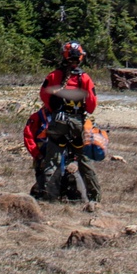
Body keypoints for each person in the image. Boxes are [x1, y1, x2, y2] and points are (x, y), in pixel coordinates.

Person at [38, 41, 100, 203]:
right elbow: (92, 105)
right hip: (78, 123)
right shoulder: (85, 78)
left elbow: (44, 95)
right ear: (80, 57)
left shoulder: (53, 76)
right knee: (85, 160)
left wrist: (54, 110)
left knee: (52, 159)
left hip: (58, 122)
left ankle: (48, 196)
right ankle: (94, 198)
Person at [23, 105, 50, 198]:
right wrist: (38, 155)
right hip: (41, 155)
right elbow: (28, 137)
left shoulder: (66, 116)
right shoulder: (37, 117)